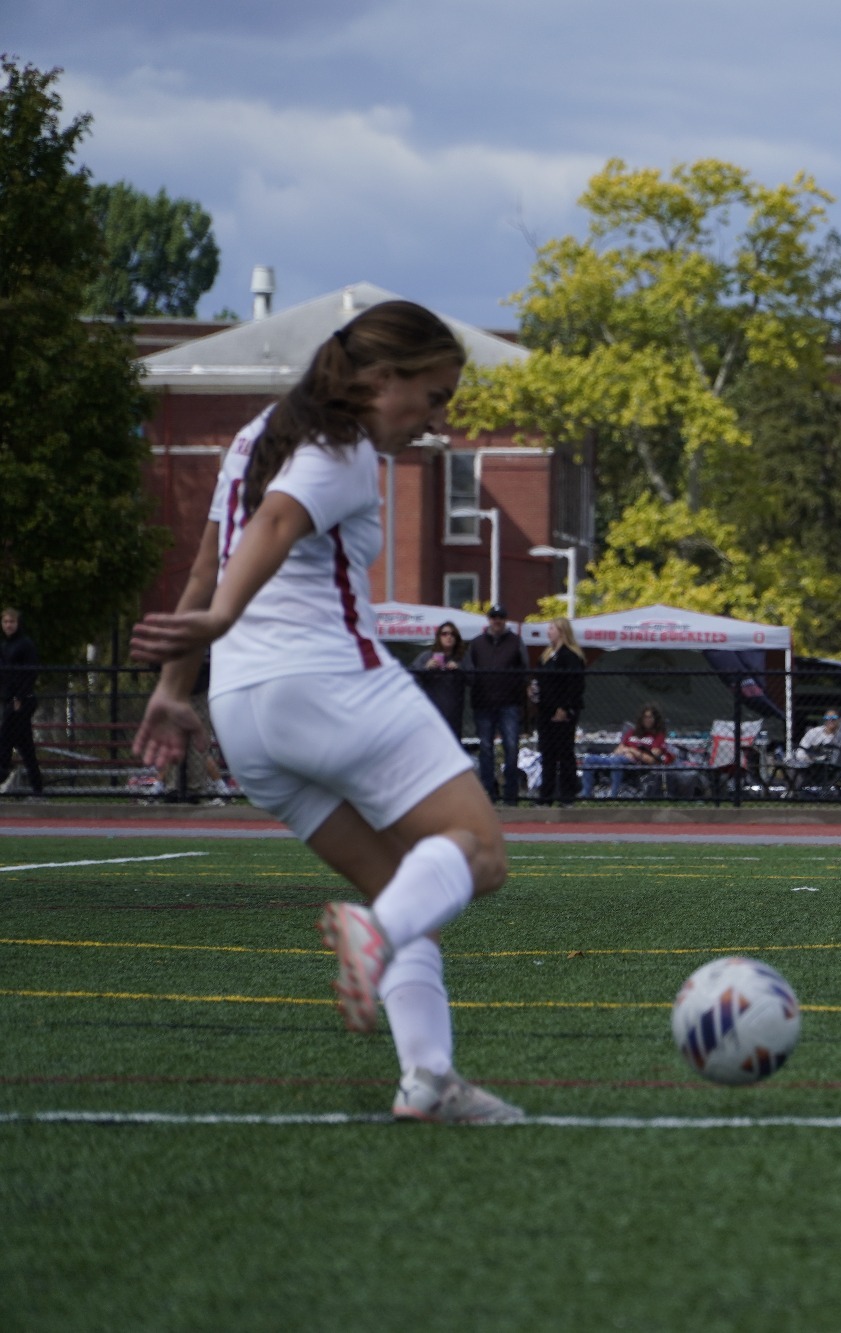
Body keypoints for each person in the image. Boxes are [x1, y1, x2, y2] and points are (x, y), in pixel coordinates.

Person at [127, 299, 522, 1124]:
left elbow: (204, 568)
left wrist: (172, 688)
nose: (436, 419)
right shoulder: (343, 448)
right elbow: (275, 524)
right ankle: (373, 936)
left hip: (245, 713)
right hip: (326, 685)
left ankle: (428, 1078)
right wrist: (222, 619)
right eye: (435, 396)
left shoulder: (254, 436)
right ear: (382, 377)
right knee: (479, 853)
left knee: (407, 886)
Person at [465, 605, 528, 804]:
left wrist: (516, 687)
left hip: (509, 703)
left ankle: (511, 794)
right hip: (483, 703)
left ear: (505, 620)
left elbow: (525, 669)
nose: (497, 620)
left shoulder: (516, 642)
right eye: (494, 617)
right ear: (489, 619)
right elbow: (468, 670)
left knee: (511, 747)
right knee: (485, 748)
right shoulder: (477, 643)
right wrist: (476, 683)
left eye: (500, 617)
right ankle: (489, 793)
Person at [533, 617, 585, 806]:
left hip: (563, 711)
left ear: (562, 631)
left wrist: (564, 707)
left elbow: (574, 685)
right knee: (547, 752)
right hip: (545, 710)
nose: (549, 632)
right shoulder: (547, 655)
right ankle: (546, 795)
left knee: (563, 752)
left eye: (552, 628)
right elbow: (539, 678)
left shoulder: (570, 656)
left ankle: (568, 794)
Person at [582, 703, 673, 799]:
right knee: (589, 759)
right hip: (618, 758)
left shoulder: (658, 736)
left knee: (617, 761)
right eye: (645, 717)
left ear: (655, 719)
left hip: (636, 765)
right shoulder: (632, 732)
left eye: (650, 717)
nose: (647, 720)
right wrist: (626, 752)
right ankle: (586, 795)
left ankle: (613, 796)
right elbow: (617, 750)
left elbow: (651, 759)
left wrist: (632, 751)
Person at [0, 607, 43, 797]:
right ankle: (37, 788)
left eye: (12, 622)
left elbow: (30, 672)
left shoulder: (25, 644)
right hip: (9, 699)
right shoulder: (4, 646)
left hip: (22, 701)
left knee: (5, 739)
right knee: (25, 746)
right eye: (5, 622)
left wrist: (20, 697)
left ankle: (4, 774)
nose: (9, 625)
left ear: (18, 623)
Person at [412, 621, 467, 737]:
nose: (449, 637)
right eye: (444, 634)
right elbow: (411, 677)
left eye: (452, 634)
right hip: (431, 712)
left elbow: (473, 680)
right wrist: (426, 668)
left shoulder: (462, 658)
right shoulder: (427, 656)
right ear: (438, 637)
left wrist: (459, 669)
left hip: (454, 714)